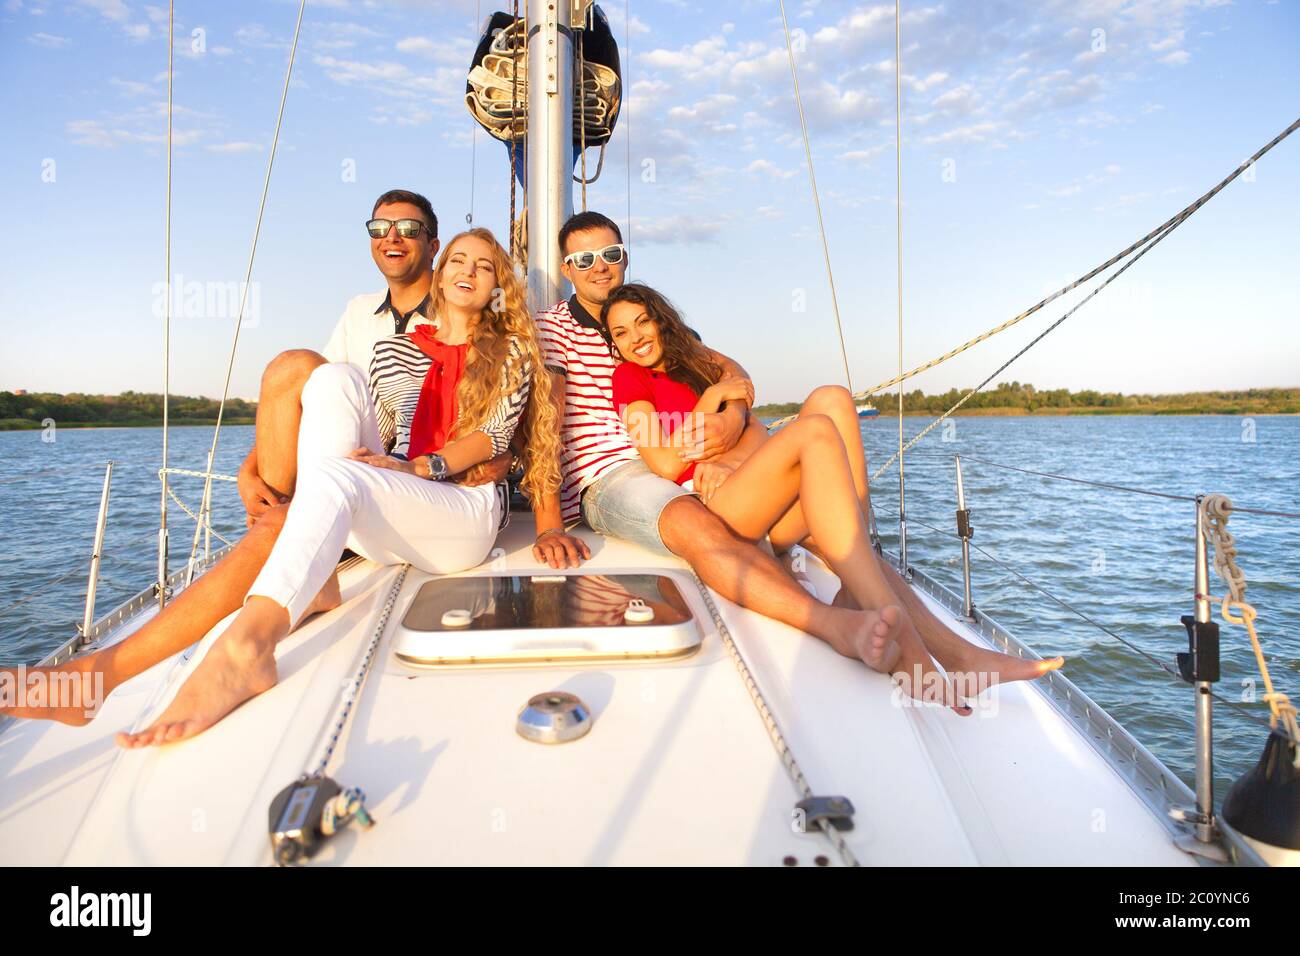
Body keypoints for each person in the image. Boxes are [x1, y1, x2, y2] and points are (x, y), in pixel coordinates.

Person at [114, 227, 557, 746]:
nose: (467, 271)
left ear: (498, 285)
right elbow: (386, 436)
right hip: (405, 507)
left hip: (463, 515)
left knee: (338, 474)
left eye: (484, 267)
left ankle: (249, 647)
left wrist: (422, 467)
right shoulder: (396, 351)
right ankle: (319, 573)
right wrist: (388, 466)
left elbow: (494, 436)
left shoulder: (511, 351)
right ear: (440, 276)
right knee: (333, 379)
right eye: (458, 260)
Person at [528, 212, 943, 702]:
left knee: (828, 425)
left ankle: (928, 637)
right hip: (614, 473)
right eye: (584, 259)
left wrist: (733, 418)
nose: (600, 266)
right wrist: (548, 522)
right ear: (565, 268)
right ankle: (836, 624)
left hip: (689, 463)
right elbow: (543, 422)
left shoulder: (654, 326)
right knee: (698, 520)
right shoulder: (552, 329)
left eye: (611, 254)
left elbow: (728, 371)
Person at [601, 282, 1064, 703]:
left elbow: (738, 382)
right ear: (615, 344)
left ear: (662, 320)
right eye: (620, 333)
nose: (636, 337)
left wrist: (732, 407)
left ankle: (889, 601)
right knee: (816, 432)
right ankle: (912, 647)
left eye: (643, 321)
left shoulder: (695, 357)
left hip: (757, 491)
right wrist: (712, 404)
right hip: (720, 506)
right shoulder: (630, 379)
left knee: (832, 398)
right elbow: (662, 461)